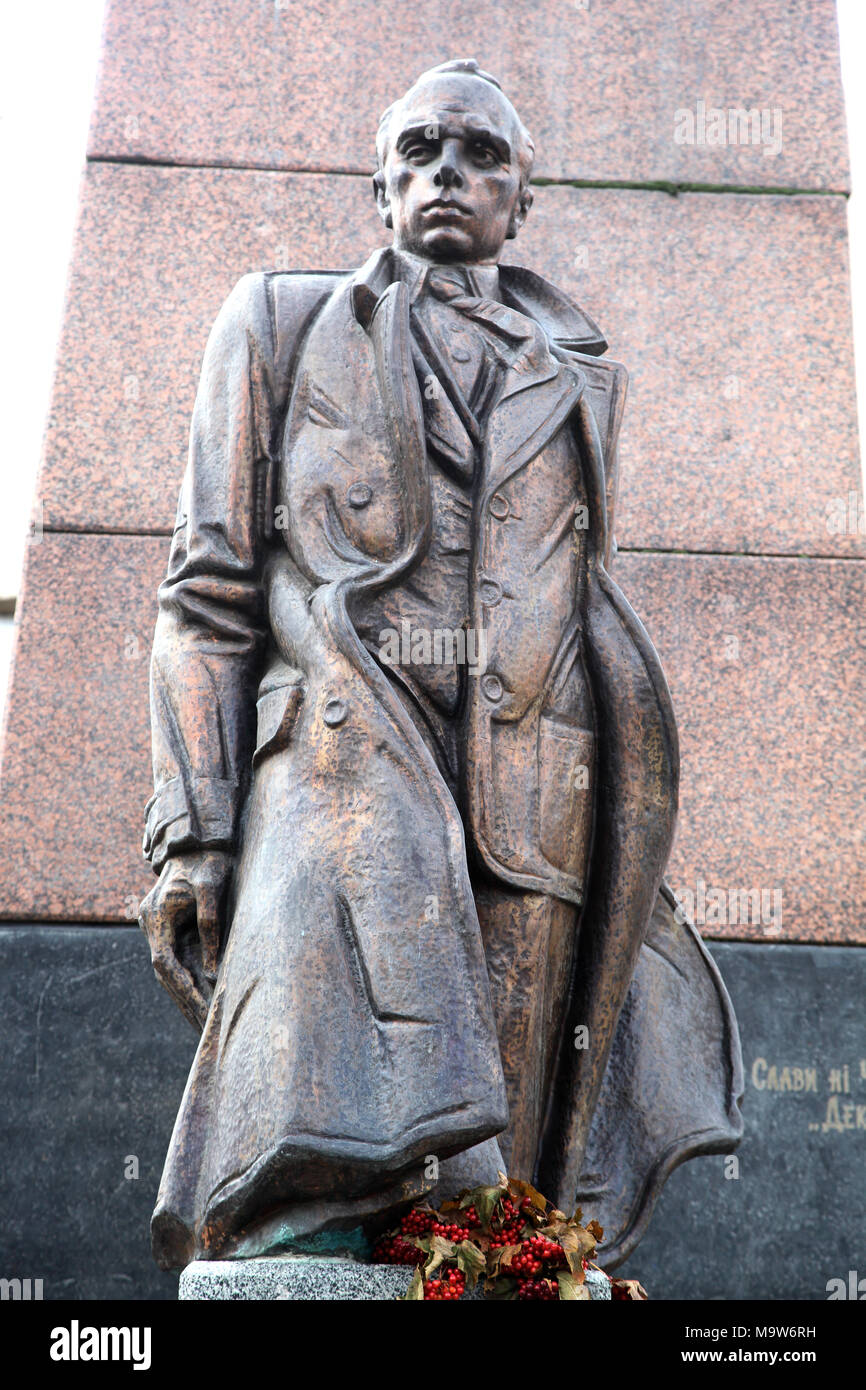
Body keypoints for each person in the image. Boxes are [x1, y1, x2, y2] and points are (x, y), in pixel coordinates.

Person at [139, 58, 742, 1271]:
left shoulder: (576, 373)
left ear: (521, 199)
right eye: (416, 152)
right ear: (378, 188)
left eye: (479, 155)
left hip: (533, 796)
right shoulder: (277, 320)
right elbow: (204, 590)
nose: (445, 174)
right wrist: (192, 826)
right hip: (344, 747)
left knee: (494, 1216)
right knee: (313, 1163)